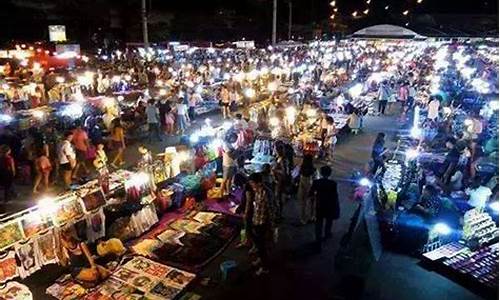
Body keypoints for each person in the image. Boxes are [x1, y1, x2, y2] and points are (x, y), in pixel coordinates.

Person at [246, 172, 276, 275]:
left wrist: (271, 227)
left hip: (263, 223)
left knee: (262, 245)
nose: (251, 185)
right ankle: (260, 259)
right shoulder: (257, 190)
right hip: (257, 220)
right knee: (259, 244)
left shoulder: (265, 193)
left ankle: (265, 267)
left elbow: (271, 209)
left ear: (258, 183)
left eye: (252, 183)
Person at [309, 166, 340, 251]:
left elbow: (311, 193)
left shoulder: (316, 182)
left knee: (318, 223)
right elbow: (334, 196)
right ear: (330, 173)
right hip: (329, 205)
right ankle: (327, 234)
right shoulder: (333, 183)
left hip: (319, 205)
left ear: (321, 173)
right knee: (328, 221)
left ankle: (318, 239)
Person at [297, 154, 316, 225]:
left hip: (302, 187)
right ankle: (312, 216)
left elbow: (296, 175)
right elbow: (315, 178)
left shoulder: (301, 168)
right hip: (311, 187)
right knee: (311, 203)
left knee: (303, 204)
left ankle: (303, 219)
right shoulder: (313, 169)